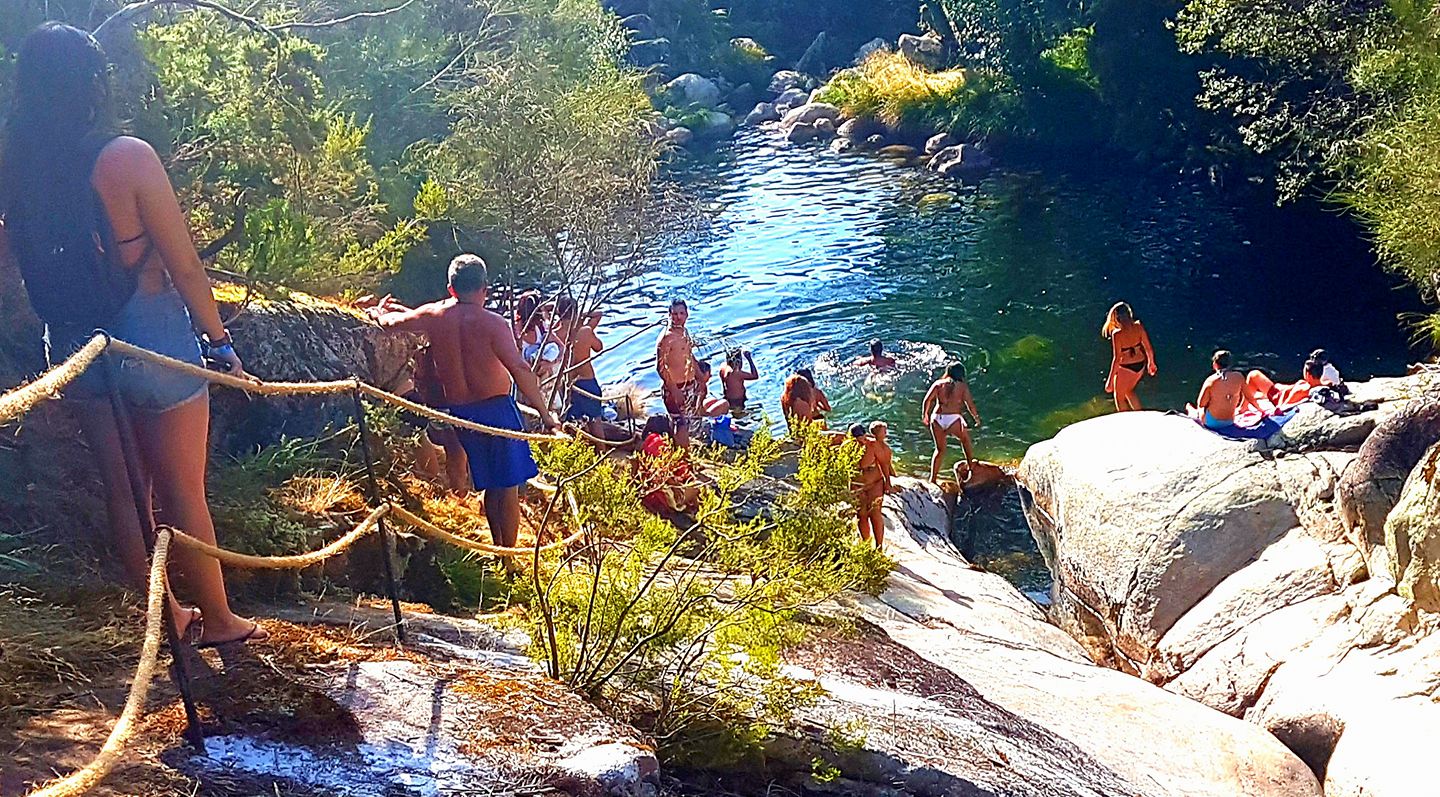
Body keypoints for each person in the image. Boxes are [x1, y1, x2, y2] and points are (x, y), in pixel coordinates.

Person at [0, 23, 263, 646]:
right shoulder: (127, 157)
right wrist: (220, 343)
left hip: (72, 342)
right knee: (182, 491)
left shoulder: (14, 162)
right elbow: (186, 265)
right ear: (91, 83)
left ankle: (167, 621)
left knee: (126, 493)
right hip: (148, 334)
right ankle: (221, 621)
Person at [371, 254, 560, 549]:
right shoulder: (494, 323)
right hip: (497, 410)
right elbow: (520, 369)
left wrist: (377, 312)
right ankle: (507, 557)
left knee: (487, 481)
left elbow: (391, 322)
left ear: (450, 288)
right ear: (484, 288)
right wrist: (547, 416)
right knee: (507, 488)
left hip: (463, 415)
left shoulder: (434, 317)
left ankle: (498, 547)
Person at [922, 362, 981, 483]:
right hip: (953, 418)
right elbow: (969, 404)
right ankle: (971, 467)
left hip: (937, 418)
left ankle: (932, 479)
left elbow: (927, 399)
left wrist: (925, 415)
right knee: (965, 440)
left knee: (939, 450)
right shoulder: (962, 386)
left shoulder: (938, 384)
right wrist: (976, 418)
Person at [553, 297, 606, 426]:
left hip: (569, 385)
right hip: (587, 381)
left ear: (558, 313)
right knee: (595, 422)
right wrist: (581, 316)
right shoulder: (585, 331)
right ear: (575, 312)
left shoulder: (554, 335)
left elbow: (545, 309)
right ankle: (601, 446)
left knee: (573, 423)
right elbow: (599, 347)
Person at [656, 299, 698, 447]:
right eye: (674, 314)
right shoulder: (666, 338)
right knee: (680, 425)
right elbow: (660, 367)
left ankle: (684, 454)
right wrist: (674, 390)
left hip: (689, 385)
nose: (678, 317)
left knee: (688, 424)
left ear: (687, 314)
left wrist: (699, 379)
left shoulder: (685, 333)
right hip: (675, 388)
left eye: (681, 313)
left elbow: (689, 357)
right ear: (669, 315)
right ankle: (684, 459)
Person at [1101, 301, 1157, 412]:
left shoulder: (1117, 334)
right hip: (1140, 365)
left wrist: (1110, 380)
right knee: (1129, 391)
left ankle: (1125, 422)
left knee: (1119, 397)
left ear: (1117, 318)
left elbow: (1116, 358)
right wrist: (1151, 363)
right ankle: (1140, 414)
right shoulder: (1138, 326)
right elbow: (1148, 348)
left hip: (1126, 367)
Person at [1196, 349, 1259, 431]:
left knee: (1197, 408)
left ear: (1215, 364)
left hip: (1212, 423)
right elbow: (1249, 397)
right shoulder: (1239, 377)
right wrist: (1260, 410)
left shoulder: (1211, 380)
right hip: (1229, 422)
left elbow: (1201, 403)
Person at [1245, 358, 1325, 413]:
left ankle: (1244, 406)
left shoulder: (1301, 390)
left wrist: (1273, 401)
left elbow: (1283, 406)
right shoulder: (1322, 386)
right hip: (1279, 391)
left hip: (1276, 395)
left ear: (1308, 375)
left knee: (1253, 375)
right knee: (1256, 391)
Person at [719, 348, 758, 413]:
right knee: (742, 416)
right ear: (738, 362)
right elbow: (755, 376)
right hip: (738, 401)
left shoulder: (723, 367)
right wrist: (749, 359)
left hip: (728, 398)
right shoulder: (737, 374)